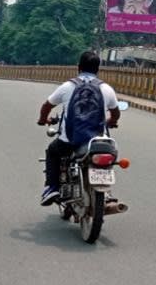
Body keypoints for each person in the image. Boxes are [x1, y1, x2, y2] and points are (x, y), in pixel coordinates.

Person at [36, 51, 120, 206]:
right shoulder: (106, 89)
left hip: (70, 141)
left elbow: (47, 106)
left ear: (79, 67)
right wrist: (111, 121)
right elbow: (115, 113)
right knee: (108, 158)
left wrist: (43, 120)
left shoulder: (67, 86)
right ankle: (107, 193)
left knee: (52, 151)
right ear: (98, 69)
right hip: (97, 141)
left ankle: (52, 187)